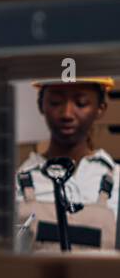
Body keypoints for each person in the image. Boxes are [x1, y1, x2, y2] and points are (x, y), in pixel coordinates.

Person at [15, 77, 119, 251]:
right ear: (41, 105)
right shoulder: (16, 184)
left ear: (100, 108)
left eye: (81, 103)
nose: (67, 114)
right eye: (56, 102)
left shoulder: (117, 181)